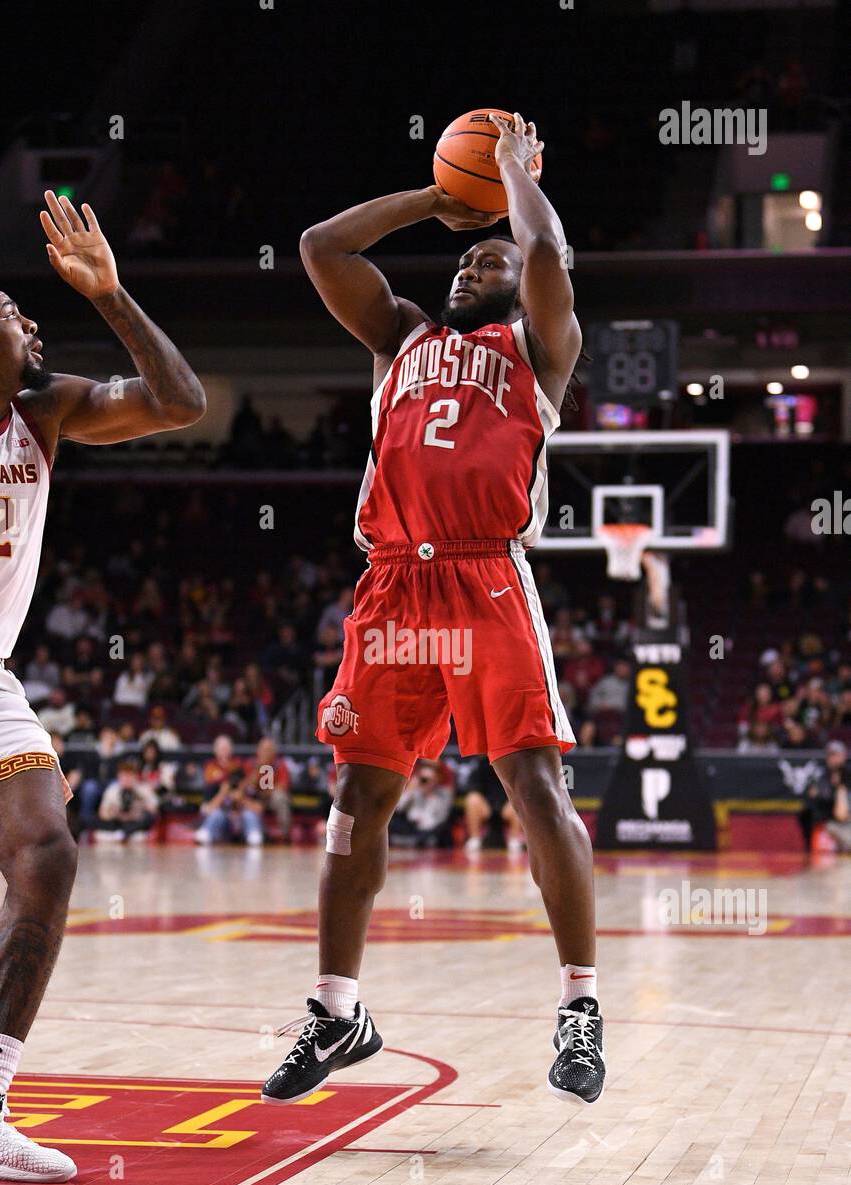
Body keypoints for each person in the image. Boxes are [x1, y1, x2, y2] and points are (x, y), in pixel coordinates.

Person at [263, 114, 602, 1109]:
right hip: (391, 585)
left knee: (532, 789)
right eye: (462, 259)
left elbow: (543, 249)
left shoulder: (537, 350)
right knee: (354, 802)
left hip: (484, 575)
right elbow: (321, 246)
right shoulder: (400, 335)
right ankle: (336, 1011)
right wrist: (435, 200)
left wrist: (508, 181)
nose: (470, 267)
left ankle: (578, 1006)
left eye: (486, 258)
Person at [0, 190, 204, 1181]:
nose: (30, 323)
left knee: (49, 853)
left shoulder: (47, 408)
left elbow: (180, 403)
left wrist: (113, 296)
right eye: (8, 313)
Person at [463, 757, 524, 853]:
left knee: (519, 799)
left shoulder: (514, 763)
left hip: (508, 805)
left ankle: (514, 840)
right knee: (472, 799)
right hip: (486, 806)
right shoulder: (482, 763)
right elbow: (473, 786)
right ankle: (475, 839)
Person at [389, 760, 454, 848]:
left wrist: (429, 794)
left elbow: (442, 818)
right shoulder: (415, 792)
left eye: (429, 780)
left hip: (430, 828)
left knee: (434, 835)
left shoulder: (440, 796)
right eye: (423, 779)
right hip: (410, 826)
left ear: (436, 779)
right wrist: (410, 789)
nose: (425, 782)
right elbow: (399, 807)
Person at [95, 758, 160, 842]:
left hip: (136, 822)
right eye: (124, 776)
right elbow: (102, 813)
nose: (126, 779)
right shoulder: (113, 790)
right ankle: (122, 833)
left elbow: (154, 810)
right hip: (117, 822)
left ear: (135, 776)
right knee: (93, 820)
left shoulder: (143, 789)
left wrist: (140, 808)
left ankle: (124, 834)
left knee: (150, 818)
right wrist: (115, 813)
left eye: (129, 775)